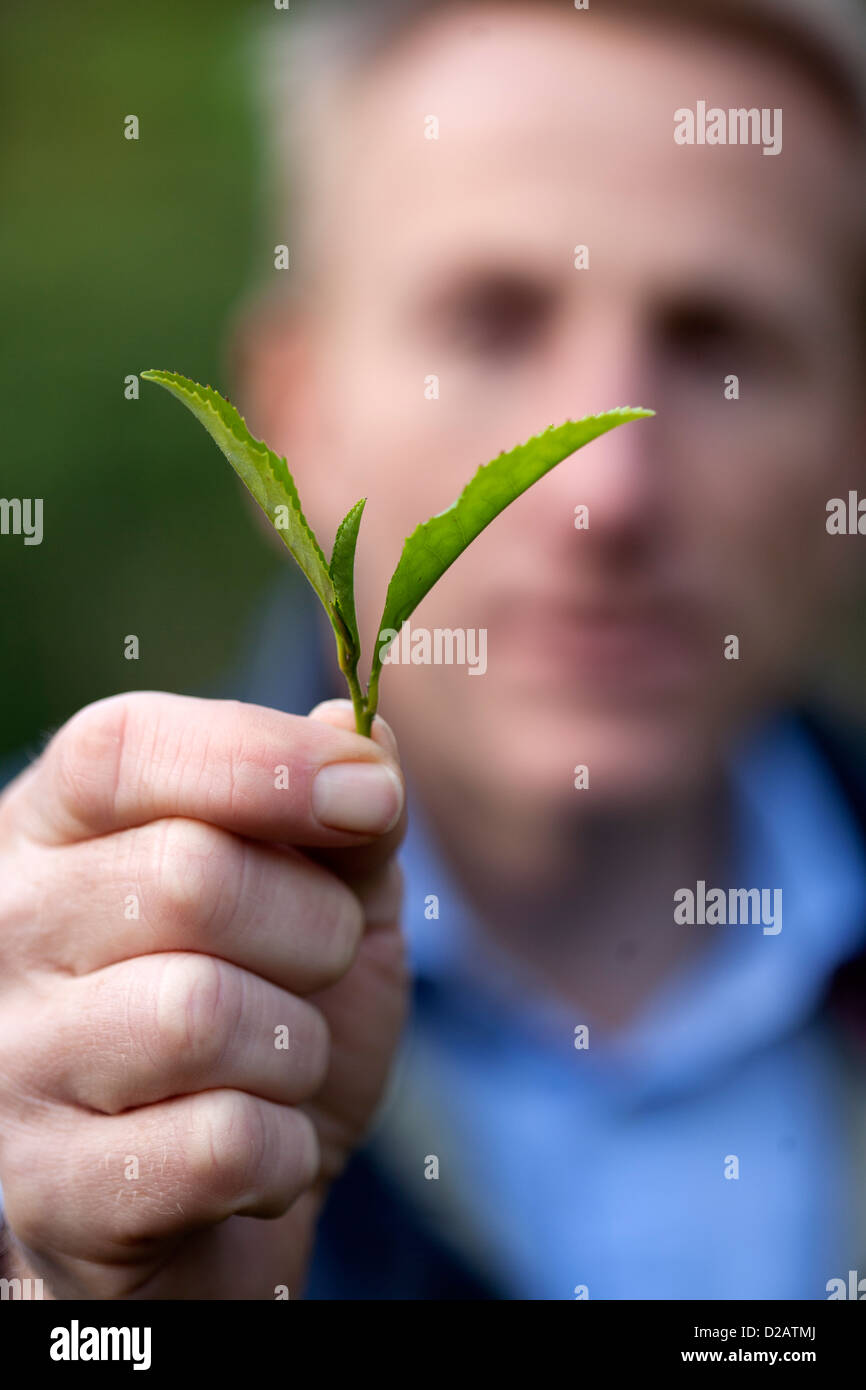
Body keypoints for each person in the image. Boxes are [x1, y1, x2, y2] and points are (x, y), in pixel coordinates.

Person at [2, 0, 866, 1300]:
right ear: (288, 405)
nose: (603, 494)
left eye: (716, 342)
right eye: (491, 320)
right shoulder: (46, 991)